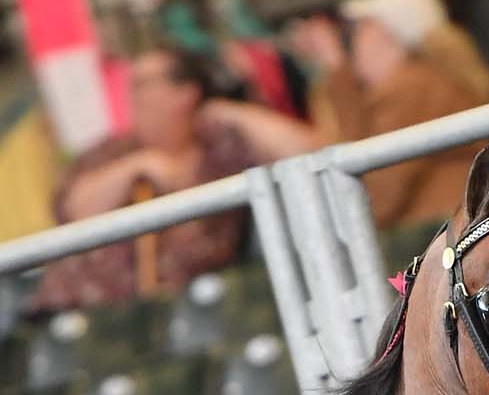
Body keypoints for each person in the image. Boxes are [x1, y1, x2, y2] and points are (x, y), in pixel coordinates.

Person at [31, 45, 317, 313]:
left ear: (186, 93)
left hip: (187, 315)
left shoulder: (219, 150)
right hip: (82, 313)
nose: (134, 95)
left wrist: (234, 113)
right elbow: (72, 210)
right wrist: (136, 168)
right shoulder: (113, 152)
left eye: (144, 83)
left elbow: (312, 154)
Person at [301, 0, 489, 229]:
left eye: (363, 27)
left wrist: (339, 74)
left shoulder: (413, 89)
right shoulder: (423, 84)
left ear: (391, 36)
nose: (355, 41)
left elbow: (376, 200)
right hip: (443, 232)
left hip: (437, 237)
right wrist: (339, 78)